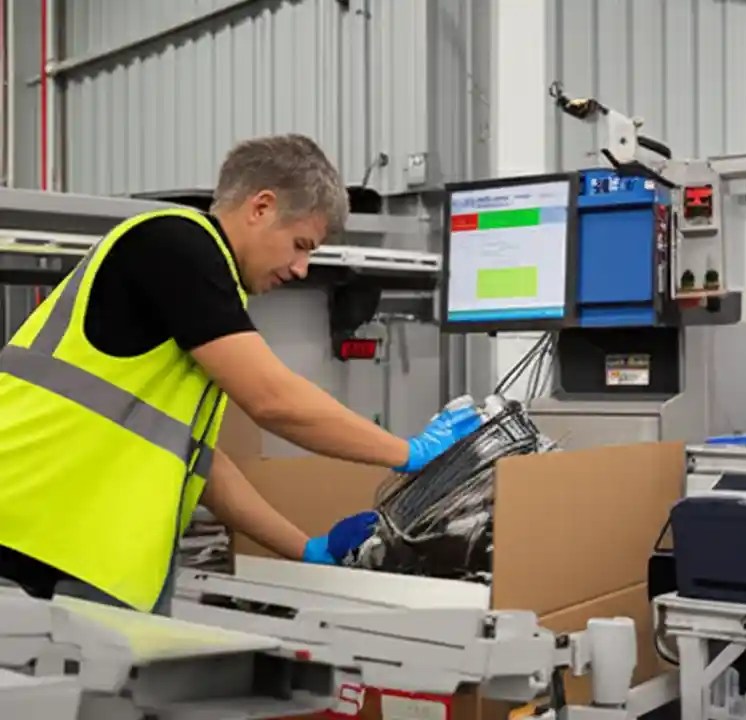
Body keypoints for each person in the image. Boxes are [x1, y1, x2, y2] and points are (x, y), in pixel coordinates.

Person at [0, 133, 479, 616]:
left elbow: (201, 464)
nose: (300, 268)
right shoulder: (175, 244)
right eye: (300, 245)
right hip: (24, 543)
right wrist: (410, 453)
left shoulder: (199, 288)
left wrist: (305, 549)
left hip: (61, 557)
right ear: (262, 207)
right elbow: (275, 400)